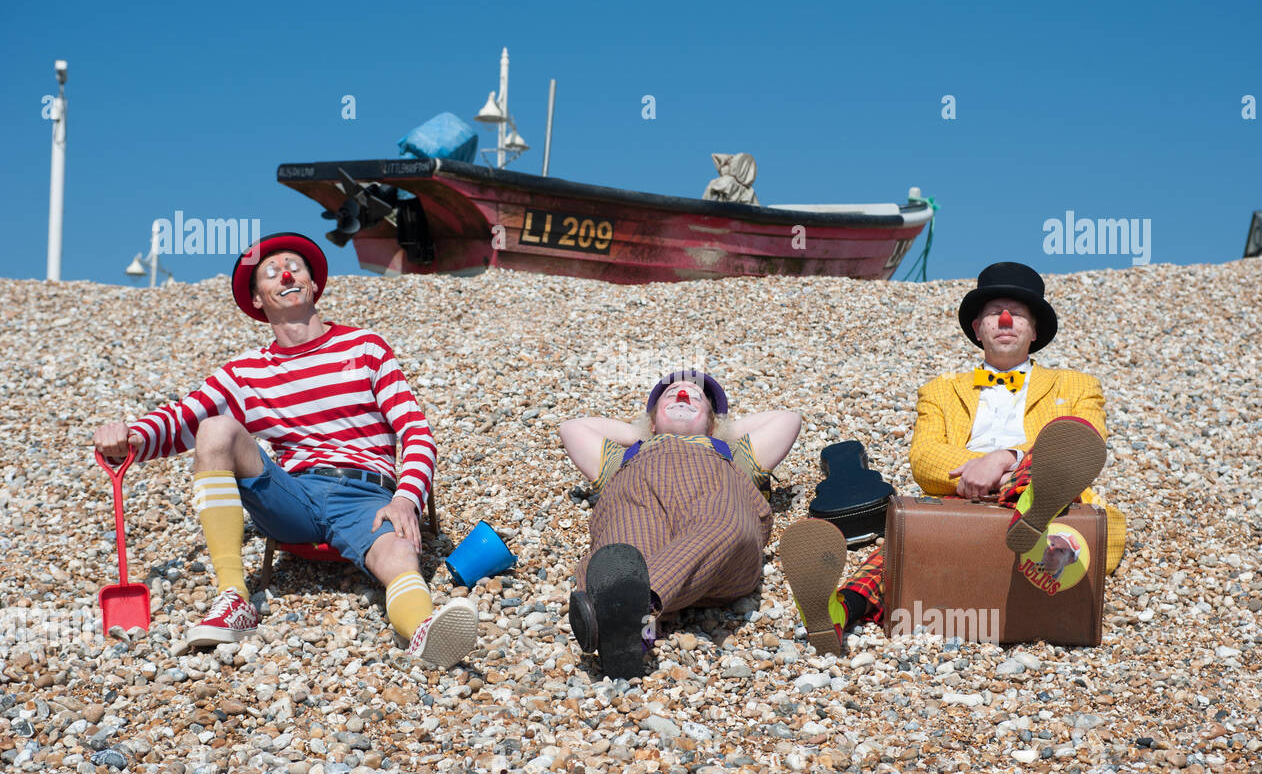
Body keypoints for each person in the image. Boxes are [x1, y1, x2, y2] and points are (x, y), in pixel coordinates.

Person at [91, 232, 478, 668]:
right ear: (258, 299)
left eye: (296, 268)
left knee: (400, 555)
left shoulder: (365, 348)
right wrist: (131, 437)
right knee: (216, 429)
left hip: (367, 498)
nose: (287, 275)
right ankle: (234, 599)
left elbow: (416, 430)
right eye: (272, 273)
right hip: (294, 496)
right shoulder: (247, 372)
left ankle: (424, 631)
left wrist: (407, 498)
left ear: (313, 285)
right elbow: (184, 418)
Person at [781, 261, 1126, 653]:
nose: (1007, 320)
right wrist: (986, 471)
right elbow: (925, 457)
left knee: (1057, 448)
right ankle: (838, 612)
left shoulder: (1077, 385)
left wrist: (1006, 457)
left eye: (1019, 314)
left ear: (1035, 330)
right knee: (897, 552)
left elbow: (1084, 442)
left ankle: (1032, 502)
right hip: (963, 500)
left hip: (1052, 498)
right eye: (995, 313)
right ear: (978, 329)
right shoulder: (940, 391)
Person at [558, 370, 801, 678]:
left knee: (726, 525)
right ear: (652, 421)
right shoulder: (621, 457)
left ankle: (630, 605)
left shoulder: (736, 454)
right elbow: (572, 428)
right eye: (670, 395)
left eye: (696, 397)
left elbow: (788, 419)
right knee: (621, 546)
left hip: (718, 558)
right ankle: (635, 633)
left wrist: (720, 431)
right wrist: (643, 433)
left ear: (713, 423)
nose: (684, 395)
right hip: (641, 499)